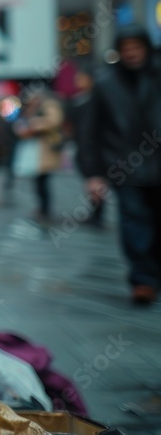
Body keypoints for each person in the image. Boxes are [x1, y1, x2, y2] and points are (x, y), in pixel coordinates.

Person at [80, 25, 161, 305]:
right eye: (126, 49)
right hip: (125, 167)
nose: (132, 54)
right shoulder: (105, 83)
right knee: (133, 221)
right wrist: (92, 174)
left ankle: (153, 273)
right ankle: (143, 279)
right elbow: (90, 131)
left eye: (137, 47)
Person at [14, 92, 64, 222]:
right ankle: (42, 208)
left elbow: (54, 121)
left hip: (45, 151)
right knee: (38, 182)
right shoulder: (31, 109)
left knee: (43, 181)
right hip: (35, 151)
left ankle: (45, 209)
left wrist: (33, 124)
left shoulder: (49, 105)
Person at [68, 69, 104, 226]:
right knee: (91, 183)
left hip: (95, 149)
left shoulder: (96, 100)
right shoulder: (78, 100)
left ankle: (98, 214)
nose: (78, 81)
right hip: (83, 147)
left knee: (96, 182)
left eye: (81, 78)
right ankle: (95, 212)